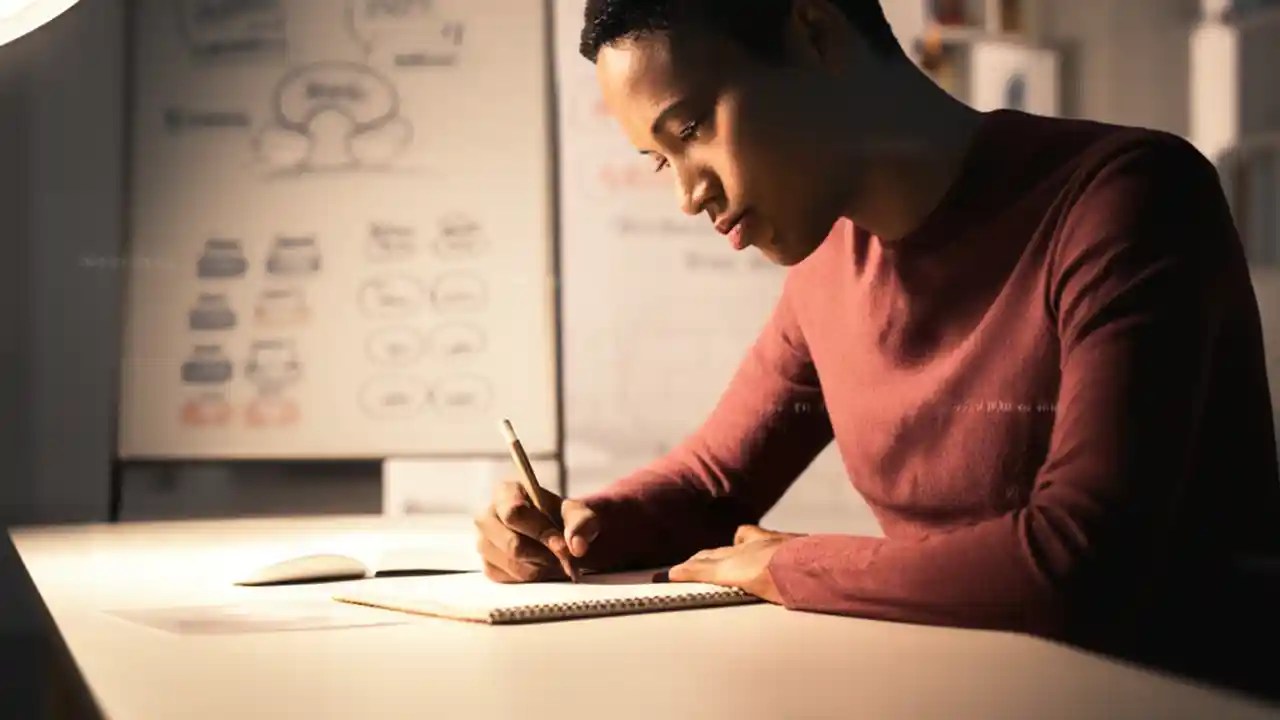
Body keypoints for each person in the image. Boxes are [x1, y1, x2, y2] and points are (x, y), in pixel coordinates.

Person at [474, 0, 1280, 671]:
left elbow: (1078, 560)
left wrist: (796, 564)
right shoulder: (829, 262)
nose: (689, 195)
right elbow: (713, 487)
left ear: (815, 33)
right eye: (660, 160)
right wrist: (575, 529)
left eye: (690, 127)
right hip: (962, 689)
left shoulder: (1125, 198)